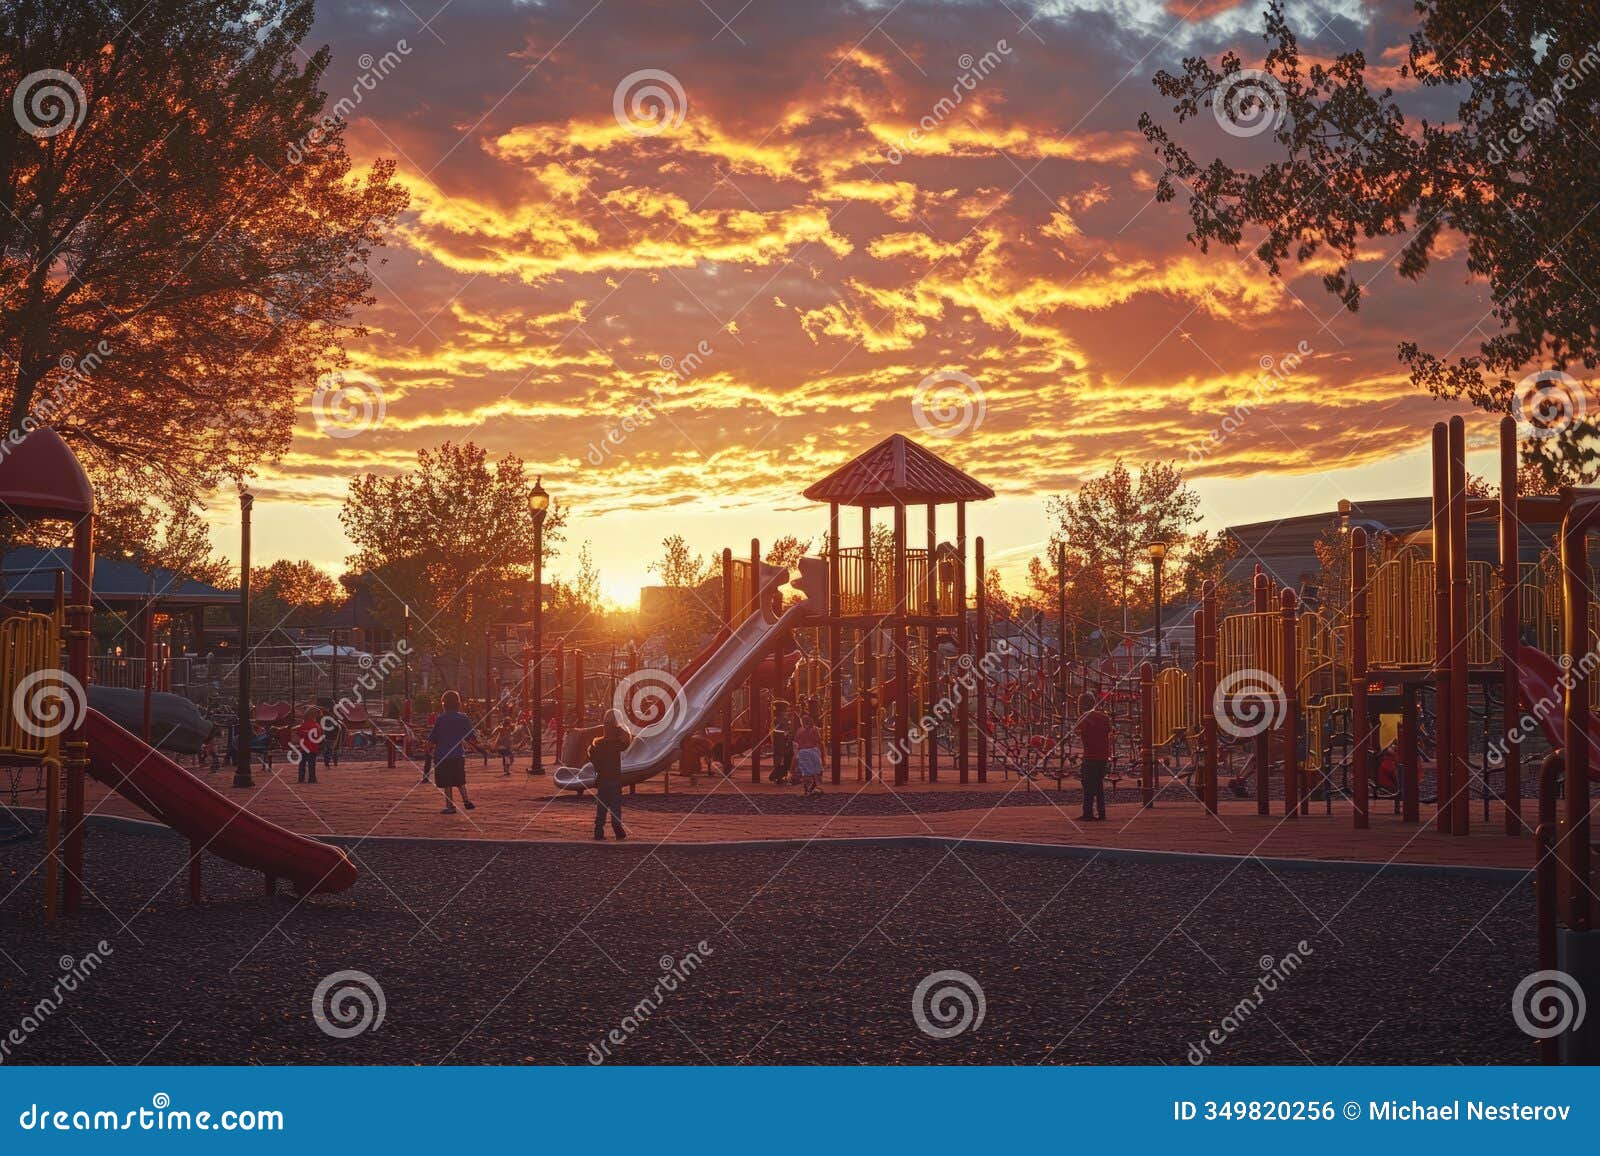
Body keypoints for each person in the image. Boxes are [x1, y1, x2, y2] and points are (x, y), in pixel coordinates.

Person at [428, 690, 477, 815]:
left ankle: (450, 806)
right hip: (458, 754)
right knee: (460, 780)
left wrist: (428, 749)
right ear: (458, 704)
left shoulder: (441, 719)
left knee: (447, 782)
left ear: (444, 704)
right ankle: (466, 800)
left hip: (442, 755)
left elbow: (433, 738)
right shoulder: (463, 718)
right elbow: (471, 737)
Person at [589, 710, 632, 840]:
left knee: (601, 808)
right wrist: (619, 727)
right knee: (615, 807)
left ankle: (598, 831)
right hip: (614, 779)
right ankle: (617, 828)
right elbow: (627, 740)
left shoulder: (598, 744)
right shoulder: (617, 744)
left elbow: (592, 758)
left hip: (602, 779)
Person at [1075, 691, 1112, 821]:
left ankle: (1088, 813)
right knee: (1098, 785)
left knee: (1088, 786)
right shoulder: (1104, 717)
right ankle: (1101, 813)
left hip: (1090, 756)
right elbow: (1109, 730)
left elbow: (1077, 731)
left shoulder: (1085, 717)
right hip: (1102, 756)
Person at [794, 712, 824, 796]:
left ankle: (807, 789)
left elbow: (796, 742)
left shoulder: (799, 730)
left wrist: (796, 755)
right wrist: (822, 755)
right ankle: (811, 788)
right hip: (813, 751)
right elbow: (818, 741)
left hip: (803, 752)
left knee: (806, 772)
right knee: (815, 772)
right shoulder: (815, 729)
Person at [767, 699, 795, 784]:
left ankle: (781, 776)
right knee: (782, 760)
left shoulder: (780, 719)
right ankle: (778, 776)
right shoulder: (778, 719)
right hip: (781, 742)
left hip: (782, 742)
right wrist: (787, 733)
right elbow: (779, 730)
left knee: (783, 759)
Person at [293, 707, 322, 785]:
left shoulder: (303, 725)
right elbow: (317, 737)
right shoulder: (316, 725)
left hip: (304, 747)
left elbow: (298, 732)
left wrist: (305, 734)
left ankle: (301, 778)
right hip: (312, 747)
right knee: (311, 764)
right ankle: (312, 779)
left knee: (302, 764)